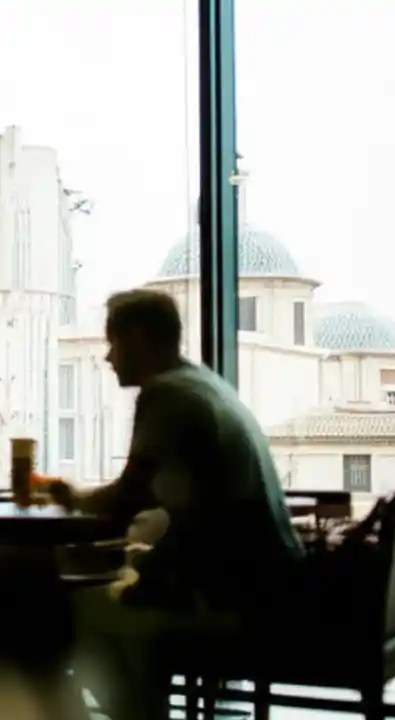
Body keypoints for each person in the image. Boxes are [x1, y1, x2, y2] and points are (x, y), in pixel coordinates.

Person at [47, 289, 303, 720]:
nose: (108, 358)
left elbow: (125, 501)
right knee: (118, 602)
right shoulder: (204, 384)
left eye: (113, 343)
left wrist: (72, 499)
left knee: (72, 611)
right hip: (271, 587)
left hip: (235, 601)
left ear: (140, 338)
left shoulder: (165, 395)